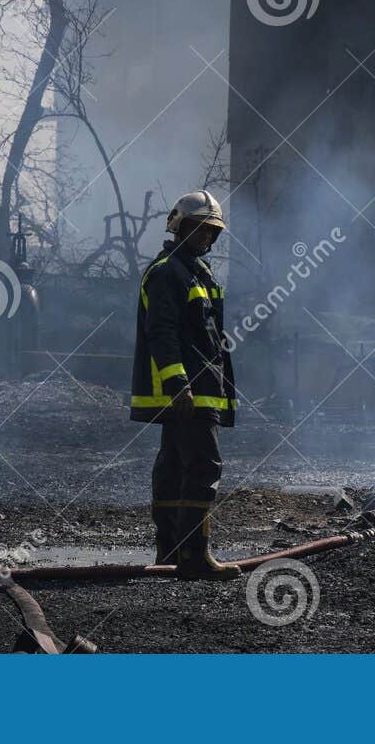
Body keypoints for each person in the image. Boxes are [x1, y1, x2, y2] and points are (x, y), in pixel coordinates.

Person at [129, 189, 240, 580]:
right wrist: (179, 385)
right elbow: (161, 332)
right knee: (204, 464)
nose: (207, 238)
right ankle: (193, 556)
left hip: (199, 389)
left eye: (213, 232)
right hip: (187, 392)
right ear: (181, 227)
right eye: (200, 229)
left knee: (175, 464)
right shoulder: (167, 272)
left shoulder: (195, 272)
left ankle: (171, 552)